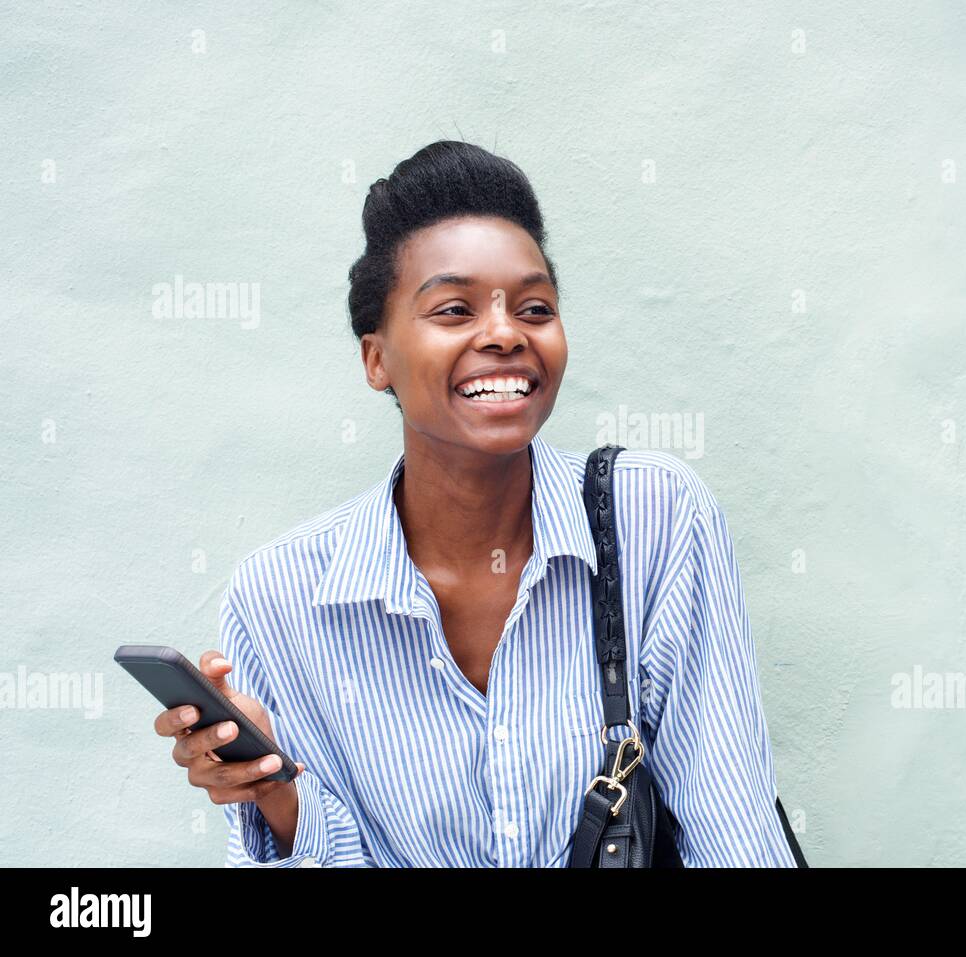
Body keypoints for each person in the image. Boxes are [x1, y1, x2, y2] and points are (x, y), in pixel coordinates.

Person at [152, 140, 798, 866]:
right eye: (455, 308)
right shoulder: (280, 598)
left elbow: (731, 825)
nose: (504, 333)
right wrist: (273, 792)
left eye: (535, 307)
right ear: (376, 358)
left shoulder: (655, 517)